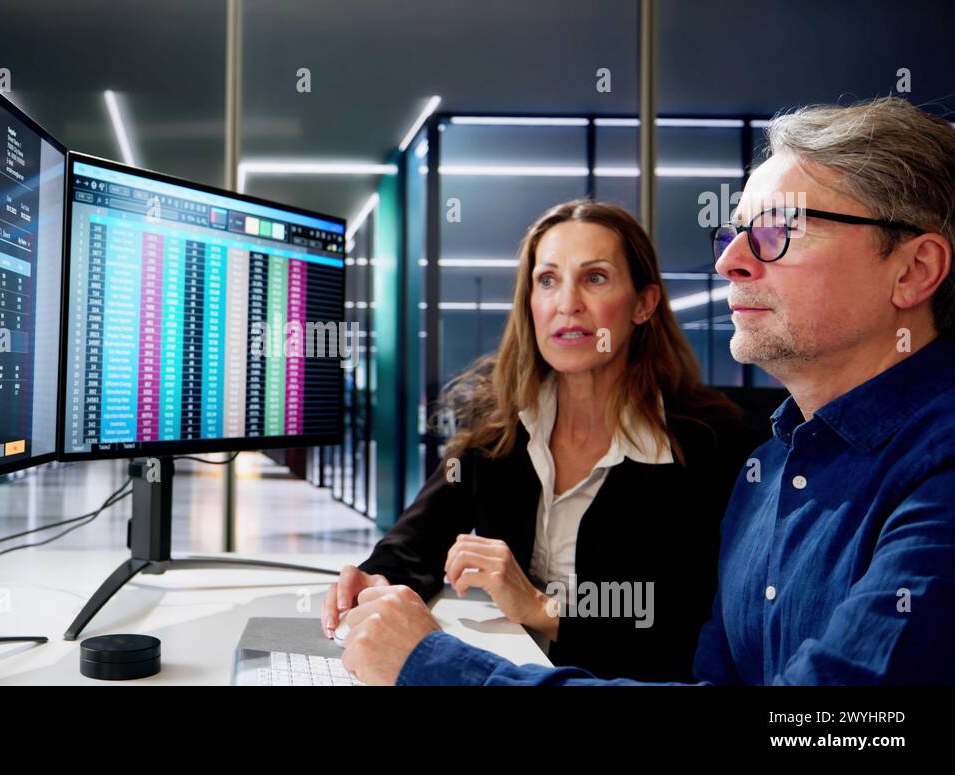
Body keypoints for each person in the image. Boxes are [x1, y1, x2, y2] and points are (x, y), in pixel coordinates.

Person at [338, 96, 955, 686]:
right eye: (546, 280)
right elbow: (718, 674)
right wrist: (373, 583)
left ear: (914, 270)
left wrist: (452, 659)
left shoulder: (724, 449)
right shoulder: (773, 466)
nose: (728, 262)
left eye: (777, 231)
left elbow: (809, 729)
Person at [322, 199, 756, 681]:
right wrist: (378, 575)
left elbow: (687, 630)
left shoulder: (706, 443)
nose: (566, 303)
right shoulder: (495, 421)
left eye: (594, 278)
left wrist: (542, 608)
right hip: (498, 670)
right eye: (547, 280)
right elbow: (417, 538)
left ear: (643, 304)